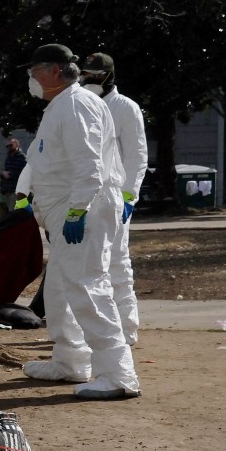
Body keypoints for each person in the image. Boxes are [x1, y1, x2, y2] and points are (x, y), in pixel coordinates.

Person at [15, 43, 139, 400]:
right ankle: (71, 360)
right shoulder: (62, 106)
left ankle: (117, 374)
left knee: (88, 287)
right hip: (70, 212)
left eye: (34, 70)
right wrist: (29, 196)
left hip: (83, 212)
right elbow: (43, 158)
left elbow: (89, 165)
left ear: (54, 71)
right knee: (57, 290)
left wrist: (76, 211)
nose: (31, 79)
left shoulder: (76, 105)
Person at [82, 52, 147, 345]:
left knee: (118, 261)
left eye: (97, 75)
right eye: (87, 74)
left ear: (110, 76)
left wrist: (129, 197)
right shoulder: (82, 105)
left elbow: (136, 156)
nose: (91, 80)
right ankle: (98, 328)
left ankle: (127, 327)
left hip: (115, 196)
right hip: (85, 197)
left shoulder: (125, 108)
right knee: (89, 265)